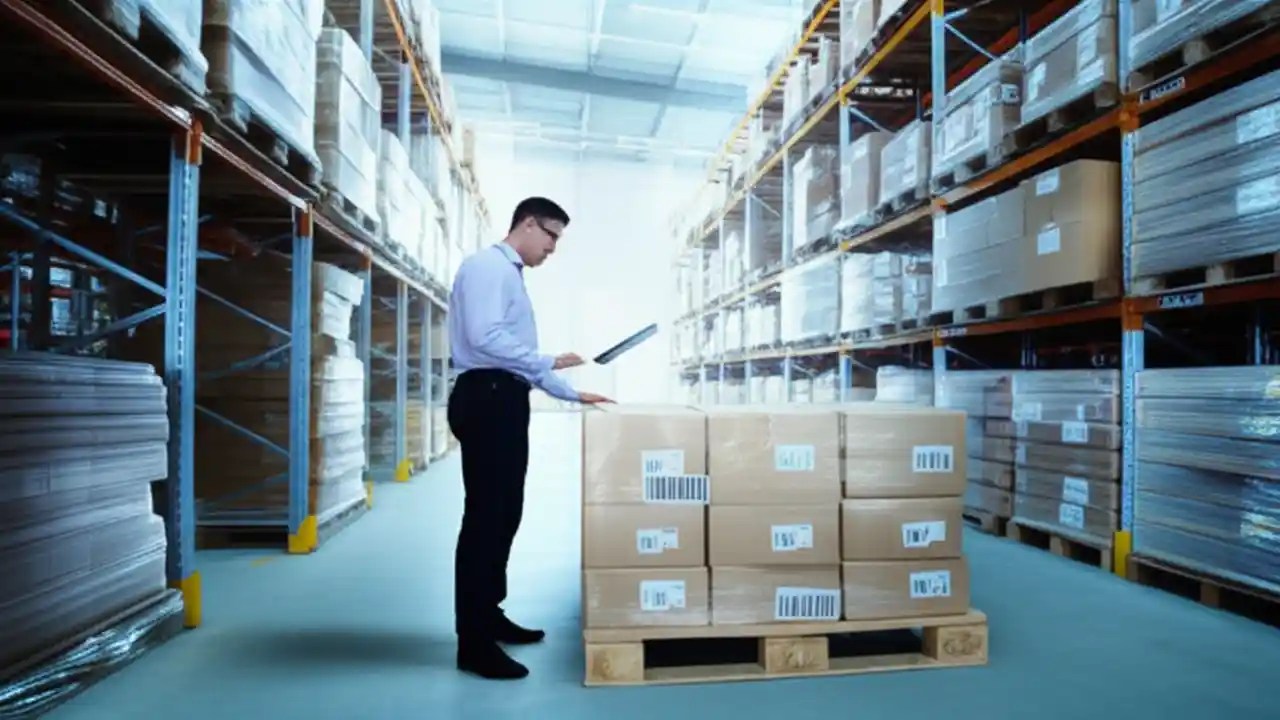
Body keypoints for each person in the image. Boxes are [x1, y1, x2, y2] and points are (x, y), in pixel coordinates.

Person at [446, 196, 612, 680]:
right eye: (552, 236)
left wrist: (571, 392)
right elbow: (483, 337)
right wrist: (548, 362)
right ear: (528, 224)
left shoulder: (510, 276)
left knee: (505, 515)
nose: (553, 249)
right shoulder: (486, 267)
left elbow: (520, 360)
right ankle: (472, 642)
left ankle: (489, 615)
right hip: (486, 398)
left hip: (505, 396)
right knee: (485, 519)